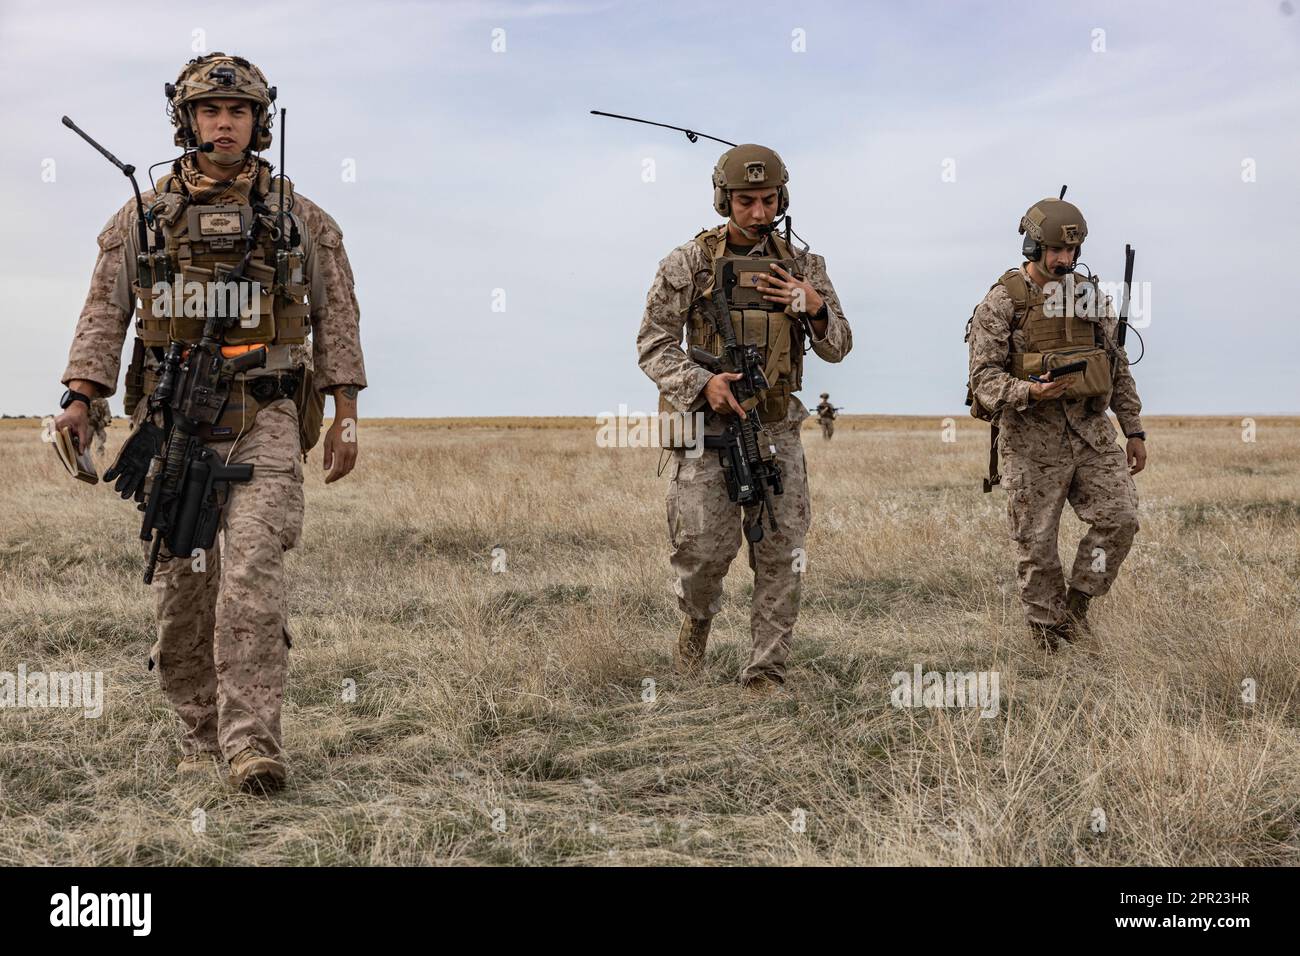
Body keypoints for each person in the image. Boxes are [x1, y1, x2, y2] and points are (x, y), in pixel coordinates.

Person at [53, 52, 367, 791]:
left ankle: (253, 743)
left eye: (238, 113)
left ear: (259, 123)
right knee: (184, 590)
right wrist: (79, 396)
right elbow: (105, 313)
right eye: (209, 112)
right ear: (187, 119)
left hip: (266, 411)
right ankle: (197, 731)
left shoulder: (301, 219)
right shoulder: (143, 215)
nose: (223, 124)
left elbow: (336, 315)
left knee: (253, 577)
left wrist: (346, 410)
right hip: (173, 421)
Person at [636, 144, 852, 693]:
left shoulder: (804, 267)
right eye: (746, 201)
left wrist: (814, 306)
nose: (759, 213)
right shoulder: (688, 263)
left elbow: (840, 346)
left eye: (769, 200)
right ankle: (696, 626)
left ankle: (766, 671)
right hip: (708, 431)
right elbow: (653, 345)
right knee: (703, 552)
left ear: (783, 198)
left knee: (782, 552)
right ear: (723, 200)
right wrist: (701, 384)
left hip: (776, 428)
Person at [966, 194, 1145, 649]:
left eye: (1072, 251)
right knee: (1037, 544)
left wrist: (1134, 429)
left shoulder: (1090, 297)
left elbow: (1116, 364)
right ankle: (1046, 635)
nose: (1065, 260)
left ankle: (1078, 605)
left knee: (1121, 519)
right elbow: (983, 379)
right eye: (1056, 251)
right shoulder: (1001, 302)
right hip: (1030, 439)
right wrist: (1030, 391)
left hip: (1090, 431)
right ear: (1032, 246)